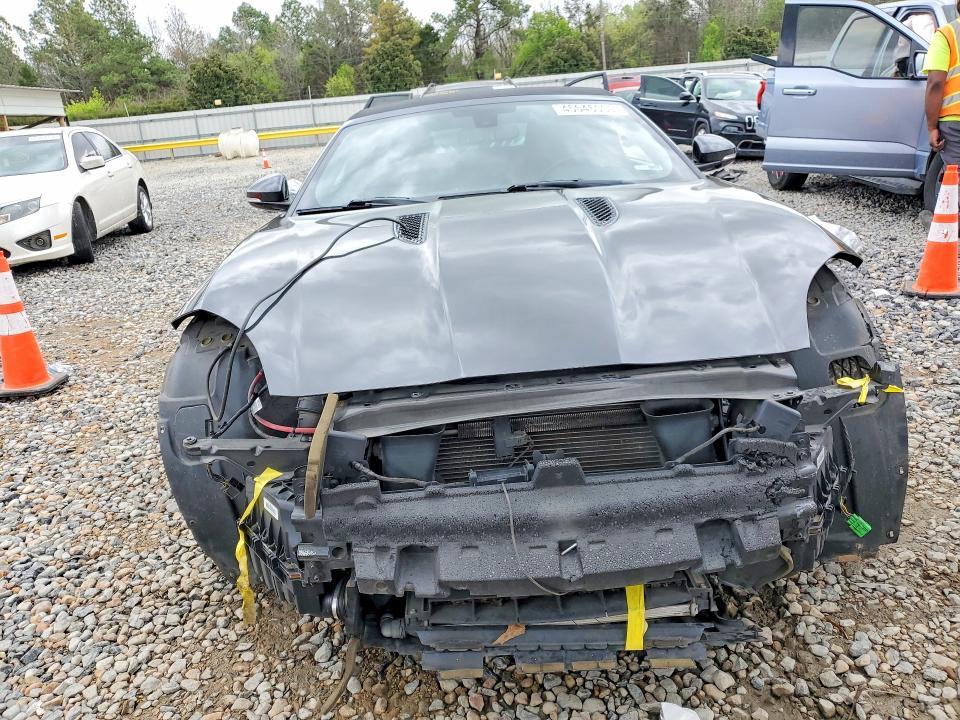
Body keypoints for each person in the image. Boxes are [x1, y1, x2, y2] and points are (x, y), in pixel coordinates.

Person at [924, 17, 960, 166]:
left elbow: (936, 82)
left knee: (955, 178)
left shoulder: (947, 33)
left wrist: (932, 127)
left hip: (955, 121)